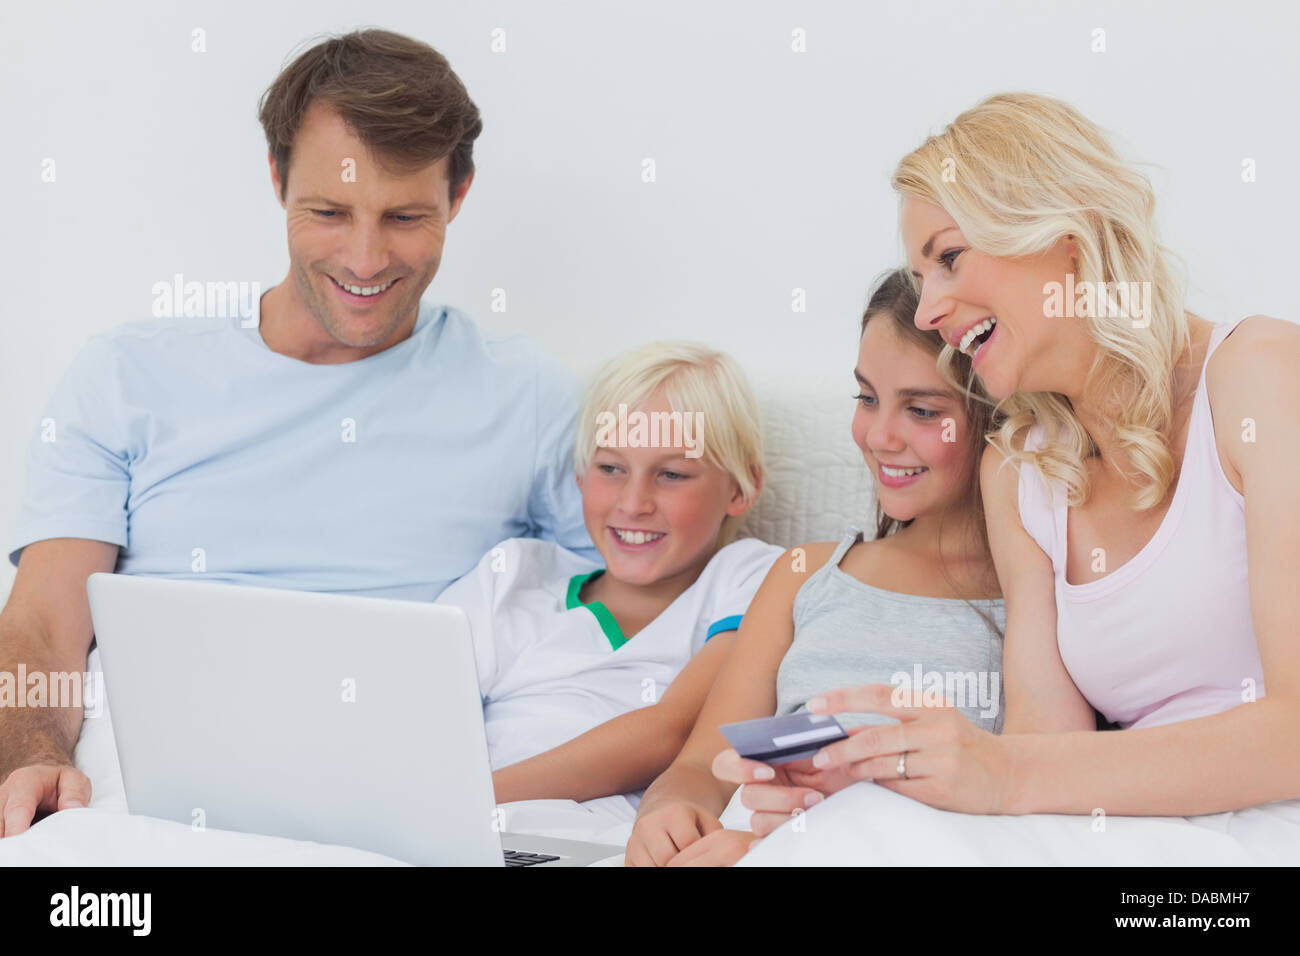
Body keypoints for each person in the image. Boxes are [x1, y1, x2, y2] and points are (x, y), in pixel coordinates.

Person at [0, 29, 596, 839]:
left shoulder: (529, 400)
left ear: (458, 198)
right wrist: (29, 756)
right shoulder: (125, 377)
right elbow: (40, 626)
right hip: (144, 799)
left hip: (398, 805)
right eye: (328, 211)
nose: (365, 257)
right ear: (278, 181)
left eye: (405, 216)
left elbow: (635, 612)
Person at [739, 92, 1300, 866]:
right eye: (918, 272)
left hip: (1264, 839)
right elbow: (1046, 762)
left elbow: (1295, 735)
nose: (930, 309)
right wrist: (870, 779)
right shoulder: (1022, 470)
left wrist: (1001, 772)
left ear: (1062, 239)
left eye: (949, 257)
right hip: (1140, 844)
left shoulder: (1261, 376)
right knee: (843, 836)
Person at [624, 269, 1007, 866]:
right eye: (867, 398)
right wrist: (669, 813)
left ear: (996, 415)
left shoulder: (1035, 598)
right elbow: (702, 767)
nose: (879, 435)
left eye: (924, 411)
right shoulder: (806, 574)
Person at [436, 342, 783, 831]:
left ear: (740, 488)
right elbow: (416, 706)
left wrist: (465, 802)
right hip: (457, 829)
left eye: (671, 474)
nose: (634, 502)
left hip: (592, 837)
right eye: (611, 468)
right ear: (580, 475)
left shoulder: (750, 577)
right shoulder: (513, 576)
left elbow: (671, 731)